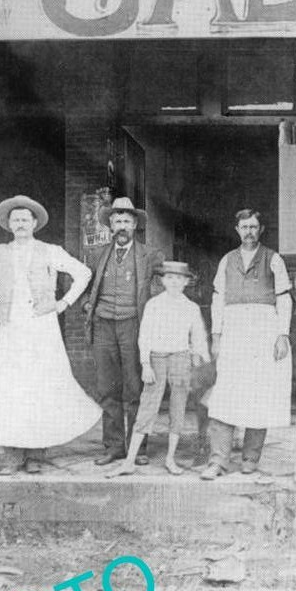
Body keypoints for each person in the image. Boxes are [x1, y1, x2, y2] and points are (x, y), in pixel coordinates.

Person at [0, 195, 101, 476]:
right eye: (15, 220)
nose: (20, 224)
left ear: (35, 223)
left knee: (41, 386)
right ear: (8, 224)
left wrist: (62, 304)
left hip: (42, 328)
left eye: (25, 219)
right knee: (11, 388)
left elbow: (83, 273)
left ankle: (37, 454)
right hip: (13, 329)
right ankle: (13, 455)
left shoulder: (51, 250)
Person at [201, 209, 293, 479]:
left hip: (264, 329)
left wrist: (282, 335)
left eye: (253, 226)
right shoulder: (227, 260)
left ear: (261, 229)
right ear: (237, 229)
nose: (249, 231)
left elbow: (284, 298)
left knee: (259, 393)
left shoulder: (273, 259)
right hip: (234, 331)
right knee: (226, 393)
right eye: (244, 227)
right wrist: (216, 335)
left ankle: (251, 458)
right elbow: (218, 298)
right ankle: (218, 460)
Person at [105, 261, 210, 478]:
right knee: (148, 405)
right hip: (157, 358)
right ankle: (129, 461)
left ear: (186, 282)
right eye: (169, 277)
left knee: (178, 406)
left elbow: (198, 336)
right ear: (162, 280)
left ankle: (170, 458)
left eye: (179, 278)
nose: (174, 282)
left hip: (181, 357)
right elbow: (145, 335)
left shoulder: (191, 307)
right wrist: (145, 364)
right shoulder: (154, 304)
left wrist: (201, 358)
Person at [82, 197, 165, 467]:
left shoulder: (150, 255)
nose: (122, 226)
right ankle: (114, 447)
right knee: (108, 389)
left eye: (127, 221)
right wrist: (87, 304)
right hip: (103, 326)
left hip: (133, 326)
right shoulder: (98, 254)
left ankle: (137, 447)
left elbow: (166, 286)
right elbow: (87, 285)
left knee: (134, 388)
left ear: (135, 225)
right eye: (117, 221)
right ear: (110, 224)